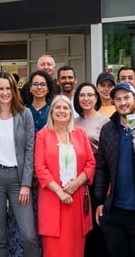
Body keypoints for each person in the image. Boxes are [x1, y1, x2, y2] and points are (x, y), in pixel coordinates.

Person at [0, 72, 40, 257]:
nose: (4, 92)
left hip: (18, 179)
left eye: (8, 88)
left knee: (28, 234)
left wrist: (26, 184)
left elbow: (29, 151)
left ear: (14, 90)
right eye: (0, 88)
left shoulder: (25, 114)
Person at [92, 82, 135, 257]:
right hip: (115, 210)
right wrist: (99, 201)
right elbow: (102, 168)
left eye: (127, 97)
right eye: (118, 99)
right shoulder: (108, 129)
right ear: (113, 102)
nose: (123, 103)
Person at [36, 95, 97, 257]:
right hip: (52, 198)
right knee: (54, 249)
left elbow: (91, 163)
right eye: (58, 107)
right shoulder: (42, 135)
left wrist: (77, 183)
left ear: (71, 113)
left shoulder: (80, 134)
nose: (61, 111)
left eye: (65, 108)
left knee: (76, 249)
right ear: (51, 111)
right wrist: (60, 192)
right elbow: (40, 168)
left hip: (76, 199)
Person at [74, 83, 108, 151]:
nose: (86, 99)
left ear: (96, 98)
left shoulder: (105, 121)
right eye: (82, 95)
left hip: (97, 160)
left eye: (90, 95)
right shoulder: (74, 122)